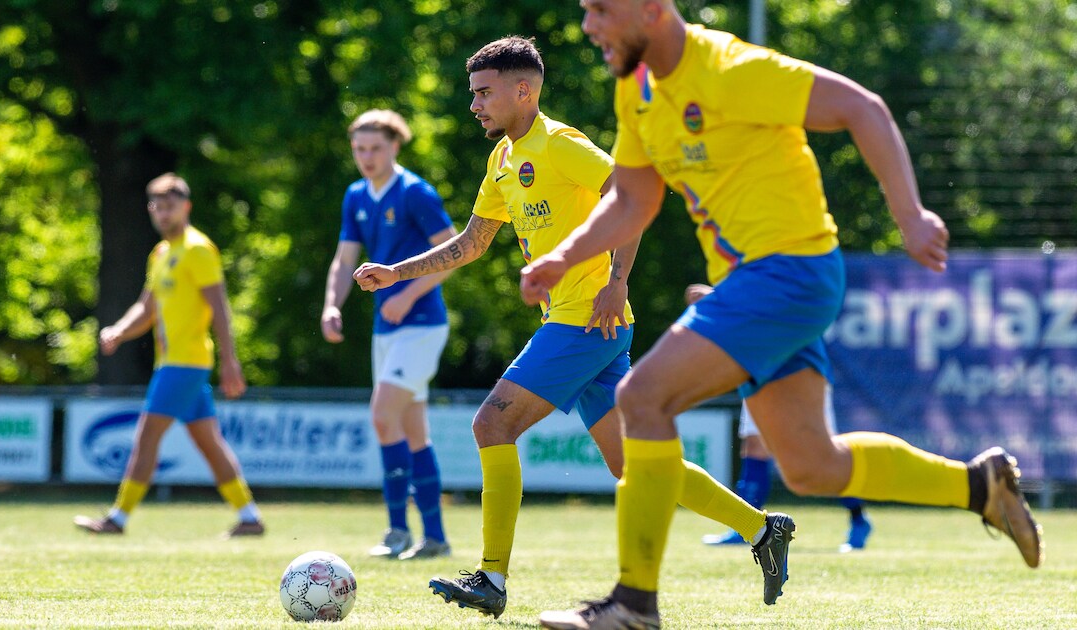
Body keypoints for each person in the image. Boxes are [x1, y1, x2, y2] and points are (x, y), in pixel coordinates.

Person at [525, 3, 1044, 627]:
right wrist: (564, 256)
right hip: (760, 285)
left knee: (642, 398)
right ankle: (978, 485)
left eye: (602, 10)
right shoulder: (635, 91)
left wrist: (908, 214)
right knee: (811, 466)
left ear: (651, 9)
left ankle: (634, 604)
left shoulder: (728, 66)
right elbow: (633, 199)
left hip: (788, 273)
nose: (589, 26)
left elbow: (863, 108)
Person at [354, 36, 783, 621]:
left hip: (587, 316)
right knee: (633, 465)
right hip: (581, 323)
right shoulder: (502, 160)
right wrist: (396, 272)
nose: (474, 104)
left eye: (484, 93)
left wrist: (617, 280)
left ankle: (492, 577)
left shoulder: (559, 144)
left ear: (523, 90)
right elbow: (474, 243)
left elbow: (631, 193)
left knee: (492, 422)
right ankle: (762, 529)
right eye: (472, 93)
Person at [75, 173, 264, 538]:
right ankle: (249, 516)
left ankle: (118, 518)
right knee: (210, 444)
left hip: (185, 364)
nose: (164, 214)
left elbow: (219, 308)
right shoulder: (161, 254)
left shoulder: (197, 249)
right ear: (150, 209)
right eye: (158, 207)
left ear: (186, 207)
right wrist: (119, 331)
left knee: (146, 437)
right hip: (177, 365)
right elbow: (146, 310)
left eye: (170, 206)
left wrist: (230, 360)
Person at [321, 109, 457, 561]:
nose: (367, 157)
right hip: (388, 328)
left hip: (421, 325)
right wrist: (332, 304)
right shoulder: (355, 194)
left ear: (395, 145)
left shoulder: (415, 192)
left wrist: (405, 293)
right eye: (359, 148)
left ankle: (398, 530)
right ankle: (432, 537)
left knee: (382, 416)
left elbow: (455, 251)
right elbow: (344, 260)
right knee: (413, 432)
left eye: (375, 147)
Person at [684, 284, 872, 553]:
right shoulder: (746, 262)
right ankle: (748, 526)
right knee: (755, 445)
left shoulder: (790, 266)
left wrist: (715, 298)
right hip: (760, 372)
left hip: (800, 372)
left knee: (822, 459)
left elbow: (774, 310)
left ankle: (859, 518)